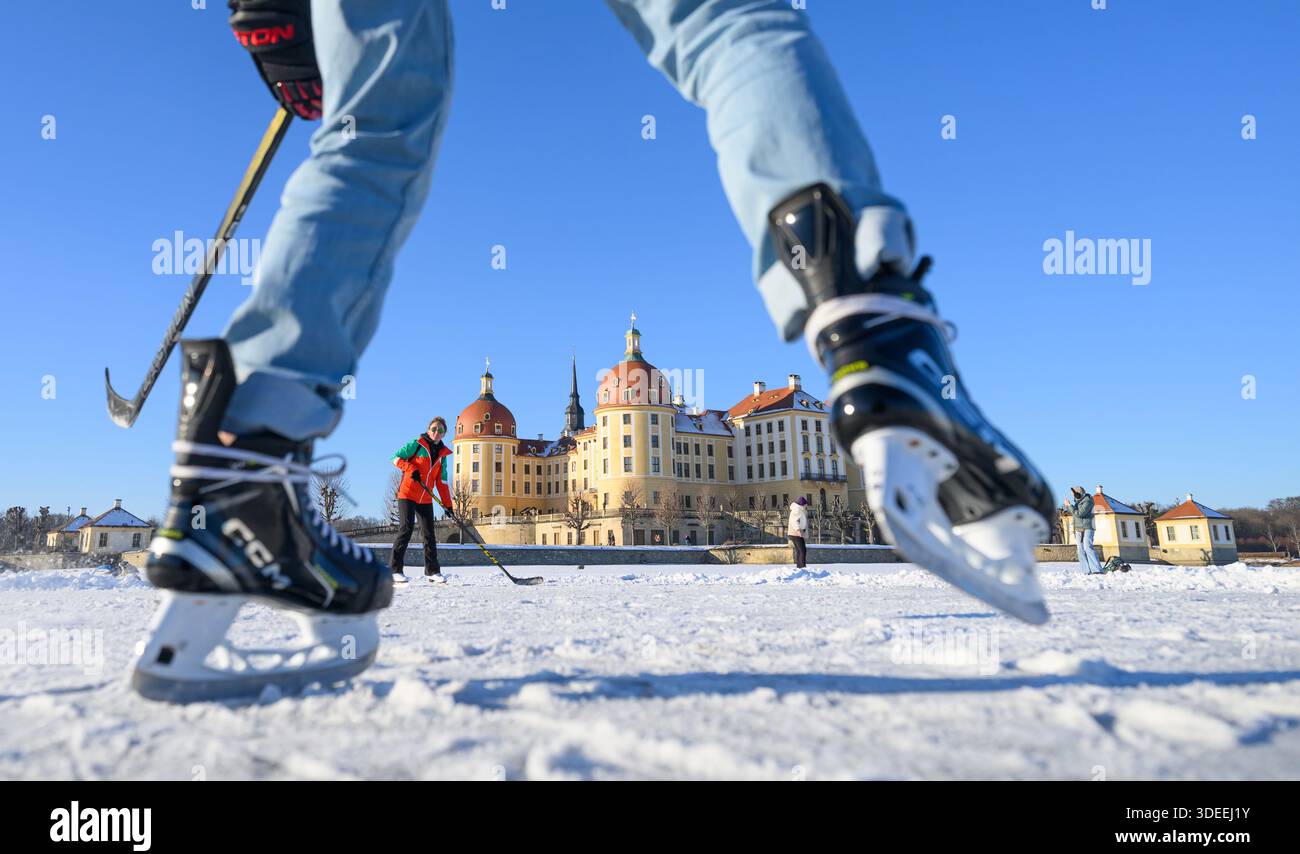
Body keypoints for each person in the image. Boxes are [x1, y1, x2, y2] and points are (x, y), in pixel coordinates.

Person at [134, 0, 1058, 703]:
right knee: (725, 21)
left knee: (372, 125)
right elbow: (424, 466)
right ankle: (874, 326)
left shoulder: (477, 435)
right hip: (465, 491)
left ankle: (245, 458)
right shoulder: (446, 443)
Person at [390, 417, 454, 584]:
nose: (436, 433)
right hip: (408, 494)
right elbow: (396, 458)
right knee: (406, 528)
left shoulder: (443, 455)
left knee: (429, 534)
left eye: (440, 430)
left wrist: (448, 505)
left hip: (425, 497)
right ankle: (395, 570)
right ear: (428, 429)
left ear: (444, 433)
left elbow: (442, 482)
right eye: (434, 429)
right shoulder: (417, 444)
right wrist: (411, 468)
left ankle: (432, 571)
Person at [1066, 486, 1103, 575]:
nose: (1073, 495)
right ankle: (1086, 571)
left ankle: (1096, 570)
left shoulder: (1088, 501)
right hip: (1078, 528)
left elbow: (1080, 514)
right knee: (1080, 549)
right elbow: (1074, 513)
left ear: (1078, 493)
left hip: (1088, 527)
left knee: (1087, 547)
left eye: (1074, 493)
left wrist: (1069, 505)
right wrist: (1070, 506)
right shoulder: (1077, 502)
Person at [788, 496, 810, 569]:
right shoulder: (797, 510)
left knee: (799, 551)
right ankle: (802, 567)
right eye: (805, 504)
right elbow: (794, 521)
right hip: (796, 533)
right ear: (802, 504)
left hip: (797, 533)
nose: (806, 505)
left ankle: (800, 567)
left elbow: (803, 523)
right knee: (802, 551)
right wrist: (798, 531)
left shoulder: (799, 510)